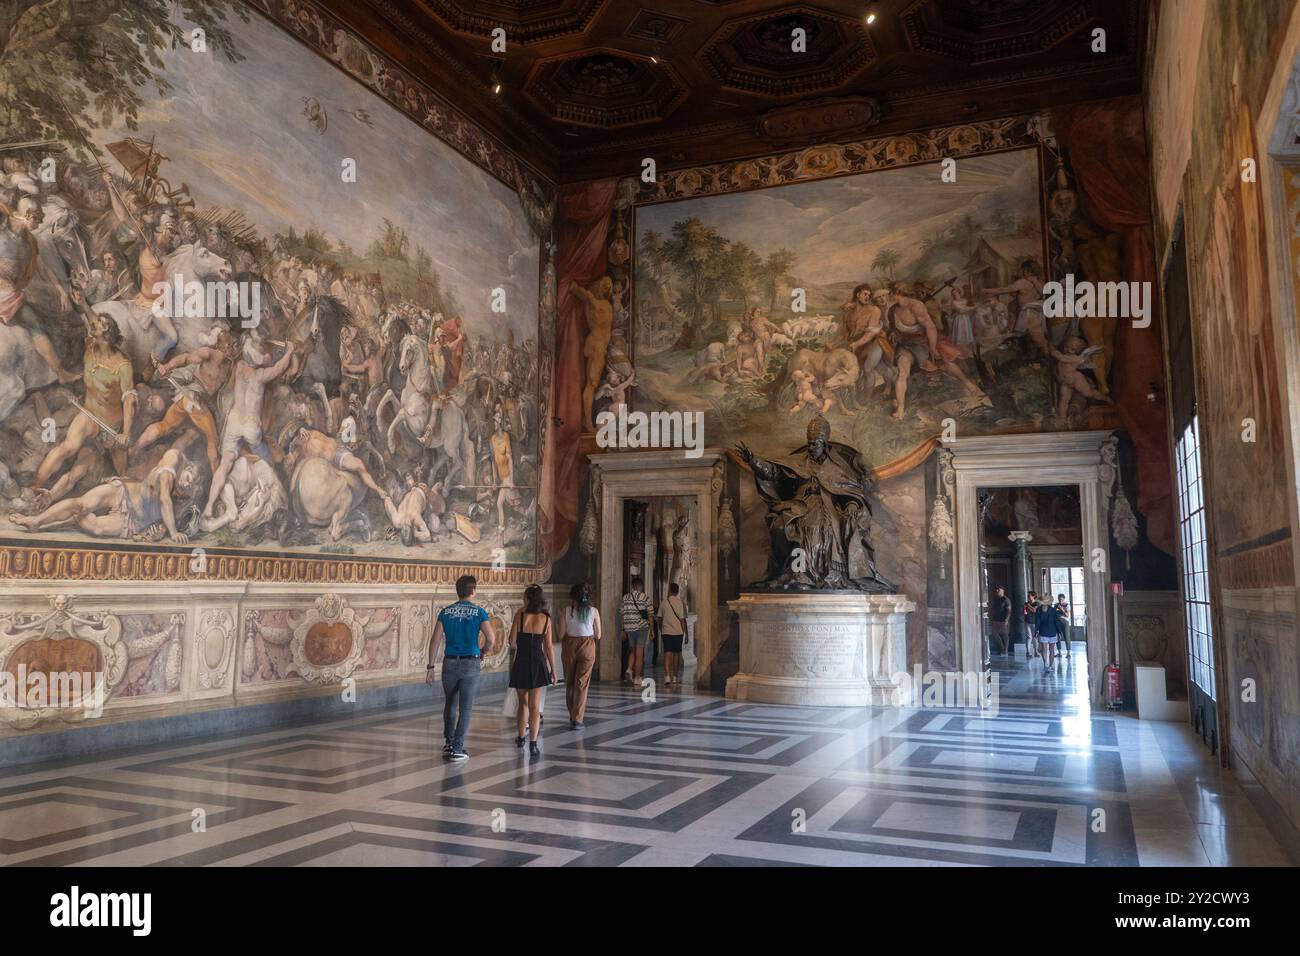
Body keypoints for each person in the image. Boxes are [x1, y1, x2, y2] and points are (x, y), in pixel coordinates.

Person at [426, 575, 497, 761]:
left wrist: (430, 667)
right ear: (473, 591)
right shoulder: (479, 612)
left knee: (450, 703)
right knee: (466, 708)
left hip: (449, 662)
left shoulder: (445, 612)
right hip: (470, 662)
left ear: (457, 591)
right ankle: (458, 747)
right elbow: (491, 639)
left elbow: (435, 641)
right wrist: (484, 652)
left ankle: (448, 743)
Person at [508, 584, 555, 757]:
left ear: (527, 599)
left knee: (523, 703)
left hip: (521, 662)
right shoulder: (546, 619)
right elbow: (548, 647)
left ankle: (521, 737)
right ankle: (533, 744)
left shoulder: (520, 615)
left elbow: (511, 641)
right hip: (538, 663)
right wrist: (553, 670)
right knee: (535, 707)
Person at [560, 582, 600, 730]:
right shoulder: (594, 611)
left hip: (570, 645)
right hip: (588, 645)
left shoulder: (566, 611)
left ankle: (572, 715)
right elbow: (599, 634)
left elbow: (561, 634)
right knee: (582, 684)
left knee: (569, 682)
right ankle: (578, 719)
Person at [620, 576, 653, 685]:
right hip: (641, 628)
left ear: (632, 586)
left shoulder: (625, 598)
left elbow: (622, 614)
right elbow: (650, 615)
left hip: (629, 628)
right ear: (641, 586)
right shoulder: (645, 598)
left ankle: (629, 669)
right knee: (639, 654)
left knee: (632, 651)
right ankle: (637, 677)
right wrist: (652, 630)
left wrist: (622, 629)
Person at [657, 582, 688, 687]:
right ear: (677, 591)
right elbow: (683, 620)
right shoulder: (680, 603)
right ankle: (674, 677)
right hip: (678, 632)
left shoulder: (663, 602)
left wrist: (661, 628)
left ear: (669, 591)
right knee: (676, 654)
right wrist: (686, 634)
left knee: (667, 653)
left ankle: (667, 676)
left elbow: (659, 618)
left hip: (666, 631)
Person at [1033, 594, 1065, 667]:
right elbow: (1056, 621)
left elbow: (1037, 621)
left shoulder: (1039, 610)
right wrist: (1059, 632)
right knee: (1051, 650)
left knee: (1044, 649)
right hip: (1052, 632)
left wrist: (1036, 631)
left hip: (1044, 631)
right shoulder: (1053, 610)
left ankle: (1046, 664)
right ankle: (1050, 666)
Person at [989, 585, 1011, 656]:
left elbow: (1009, 610)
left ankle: (1005, 650)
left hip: (1003, 620)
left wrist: (1007, 619)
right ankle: (1002, 648)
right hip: (995, 620)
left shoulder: (1006, 599)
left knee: (1005, 635)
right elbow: (993, 609)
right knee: (994, 634)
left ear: (1002, 590)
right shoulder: (996, 599)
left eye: (998, 590)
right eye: (996, 590)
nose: (997, 591)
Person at [1055, 593, 1072, 659]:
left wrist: (1061, 609)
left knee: (1067, 637)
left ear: (1064, 599)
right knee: (1057, 637)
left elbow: (1067, 615)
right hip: (1057, 622)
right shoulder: (1056, 605)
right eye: (1059, 600)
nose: (1060, 601)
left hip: (1065, 622)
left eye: (1061, 600)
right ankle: (1059, 653)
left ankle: (1068, 653)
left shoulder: (1067, 605)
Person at [1022, 590, 1040, 656]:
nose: (1028, 597)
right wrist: (1024, 610)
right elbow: (1024, 612)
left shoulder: (1037, 603)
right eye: (1028, 596)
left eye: (1029, 596)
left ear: (1033, 596)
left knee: (1035, 637)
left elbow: (1035, 610)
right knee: (1029, 637)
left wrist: (1028, 605)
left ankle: (1036, 652)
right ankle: (1028, 652)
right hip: (1027, 621)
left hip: (1035, 622)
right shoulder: (1026, 603)